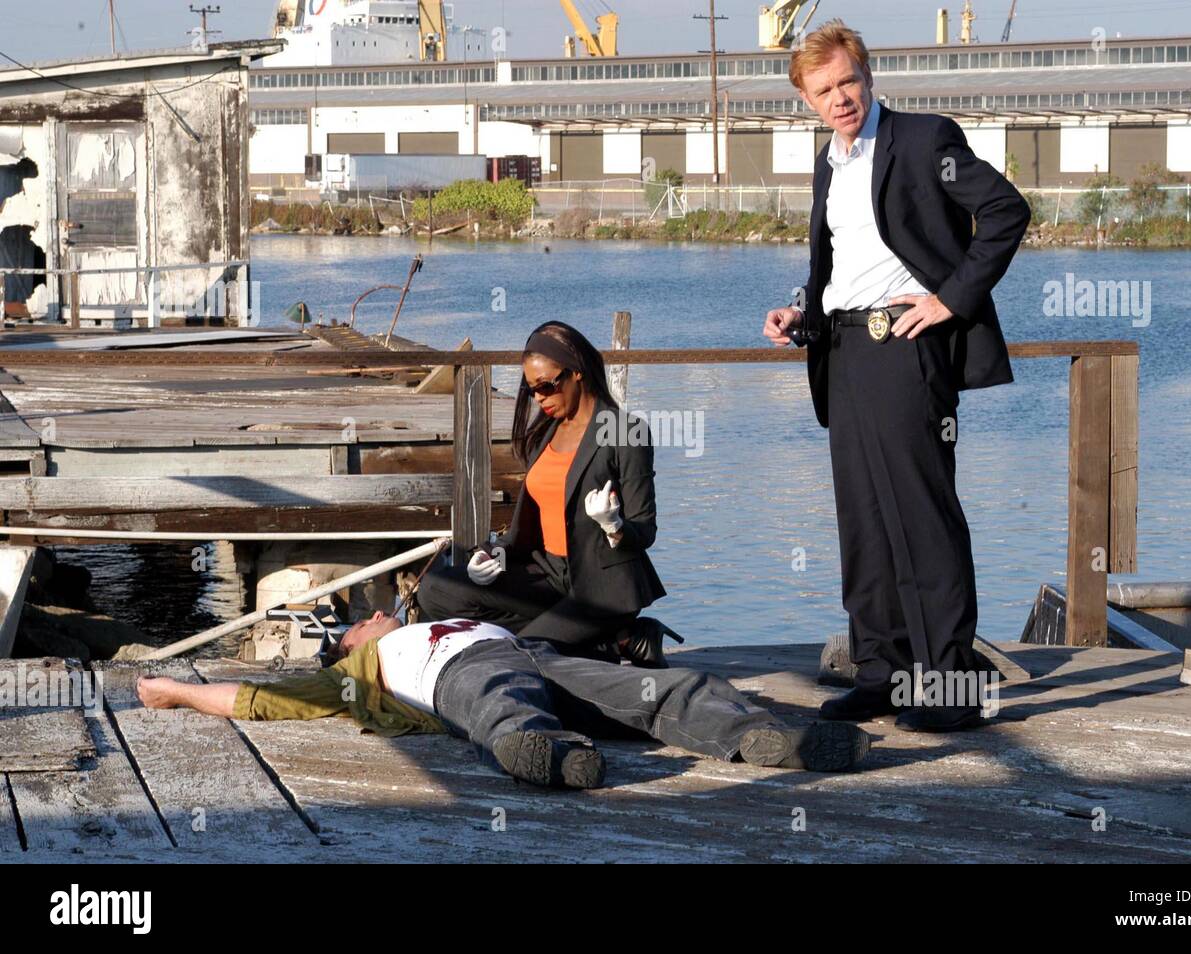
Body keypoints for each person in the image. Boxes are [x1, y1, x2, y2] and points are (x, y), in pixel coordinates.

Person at [762, 20, 1029, 732]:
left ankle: (949, 685)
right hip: (842, 354)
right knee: (866, 522)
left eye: (849, 81)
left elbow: (1006, 210)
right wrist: (801, 315)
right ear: (807, 99)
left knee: (922, 517)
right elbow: (839, 269)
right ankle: (882, 673)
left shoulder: (923, 139)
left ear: (869, 76)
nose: (840, 97)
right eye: (824, 90)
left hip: (906, 348)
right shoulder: (830, 162)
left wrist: (950, 298)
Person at [135, 612, 871, 789]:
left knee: (666, 688)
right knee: (497, 701)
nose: (369, 613)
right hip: (455, 673)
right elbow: (259, 698)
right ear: (356, 640)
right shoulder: (359, 667)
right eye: (358, 619)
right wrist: (174, 690)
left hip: (538, 659)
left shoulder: (441, 608)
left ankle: (764, 737)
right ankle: (543, 751)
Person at [418, 320, 677, 668]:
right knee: (436, 590)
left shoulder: (624, 431)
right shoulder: (546, 432)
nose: (540, 397)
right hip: (548, 574)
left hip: (600, 586)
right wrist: (493, 553)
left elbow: (644, 530)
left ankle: (600, 638)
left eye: (546, 386)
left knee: (525, 655)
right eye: (531, 390)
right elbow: (529, 528)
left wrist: (614, 525)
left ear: (577, 373)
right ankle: (614, 643)